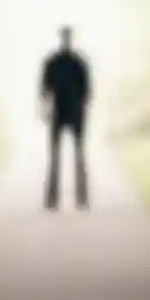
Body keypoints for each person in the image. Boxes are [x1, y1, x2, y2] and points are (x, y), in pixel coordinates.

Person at [40, 25, 91, 210]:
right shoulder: (77, 62)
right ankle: (77, 198)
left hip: (65, 111)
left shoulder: (56, 62)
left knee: (69, 155)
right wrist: (46, 109)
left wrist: (46, 108)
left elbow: (44, 90)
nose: (66, 40)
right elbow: (86, 92)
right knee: (67, 155)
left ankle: (58, 199)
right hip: (68, 111)